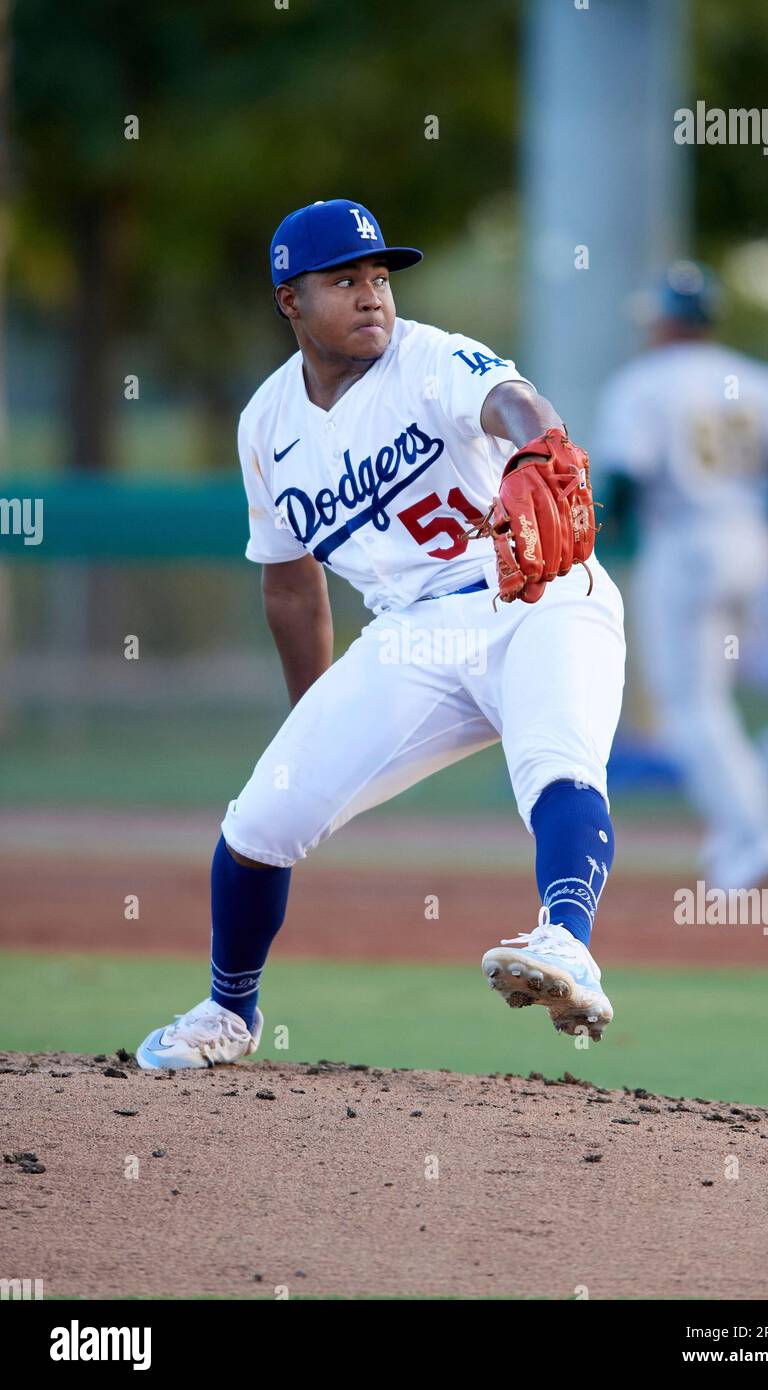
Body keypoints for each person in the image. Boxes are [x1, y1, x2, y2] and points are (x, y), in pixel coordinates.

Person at [136, 197, 625, 1070]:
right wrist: (312, 714)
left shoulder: (427, 358)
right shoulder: (266, 424)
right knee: (263, 817)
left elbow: (516, 399)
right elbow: (289, 582)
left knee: (556, 763)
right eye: (344, 280)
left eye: (379, 277)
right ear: (290, 300)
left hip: (536, 592)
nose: (372, 296)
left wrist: (532, 450)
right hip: (411, 635)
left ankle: (565, 943)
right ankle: (227, 1012)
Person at [594, 260, 768, 888]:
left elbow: (626, 477)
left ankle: (757, 833)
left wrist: (610, 540)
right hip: (753, 541)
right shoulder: (757, 378)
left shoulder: (643, 383)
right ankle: (735, 833)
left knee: (690, 706)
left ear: (666, 321)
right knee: (721, 698)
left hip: (688, 544)